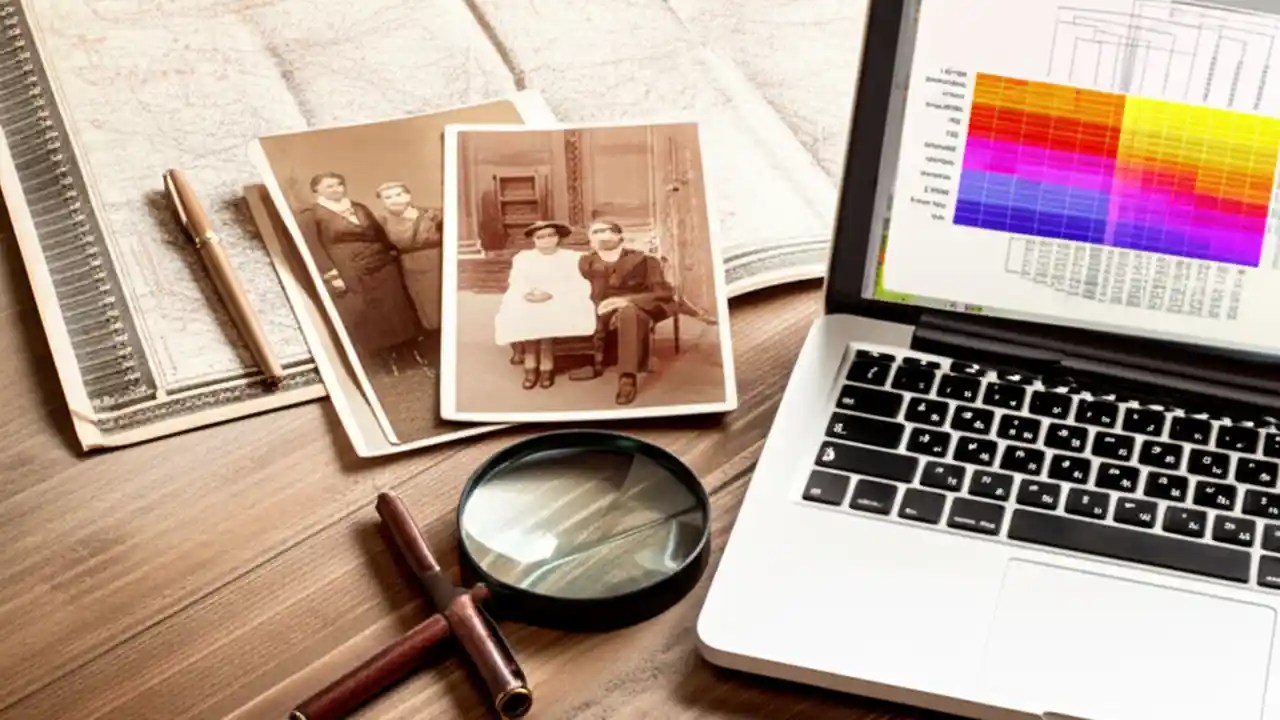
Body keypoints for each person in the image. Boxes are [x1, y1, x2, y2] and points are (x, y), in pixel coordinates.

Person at [295, 172, 424, 375]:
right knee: (372, 313)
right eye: (330, 186)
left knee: (397, 307)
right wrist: (331, 275)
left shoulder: (359, 207)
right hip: (351, 270)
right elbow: (313, 247)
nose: (337, 189)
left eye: (339, 184)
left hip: (383, 264)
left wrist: (392, 253)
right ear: (316, 190)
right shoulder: (310, 215)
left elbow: (379, 234)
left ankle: (410, 352)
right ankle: (388, 358)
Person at [575, 221, 677, 405]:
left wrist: (627, 300)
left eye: (607, 230)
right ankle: (595, 361)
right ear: (590, 240)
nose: (602, 235)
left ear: (619, 236)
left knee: (628, 313)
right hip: (598, 307)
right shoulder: (585, 263)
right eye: (596, 232)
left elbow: (663, 293)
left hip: (639, 307)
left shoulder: (644, 260)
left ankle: (627, 378)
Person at [493, 220, 596, 390]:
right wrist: (527, 293)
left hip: (559, 296)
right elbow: (517, 280)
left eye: (551, 235)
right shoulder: (523, 258)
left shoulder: (571, 257)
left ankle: (546, 365)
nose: (546, 240)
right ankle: (530, 362)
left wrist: (552, 293)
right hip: (530, 295)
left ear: (558, 237)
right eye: (540, 237)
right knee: (520, 311)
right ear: (533, 240)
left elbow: (576, 282)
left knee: (547, 316)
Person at [374, 182, 443, 334]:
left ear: (408, 195)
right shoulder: (380, 221)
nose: (394, 199)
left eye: (399, 194)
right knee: (427, 308)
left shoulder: (433, 215)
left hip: (439, 261)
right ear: (382, 201)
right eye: (388, 197)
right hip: (411, 266)